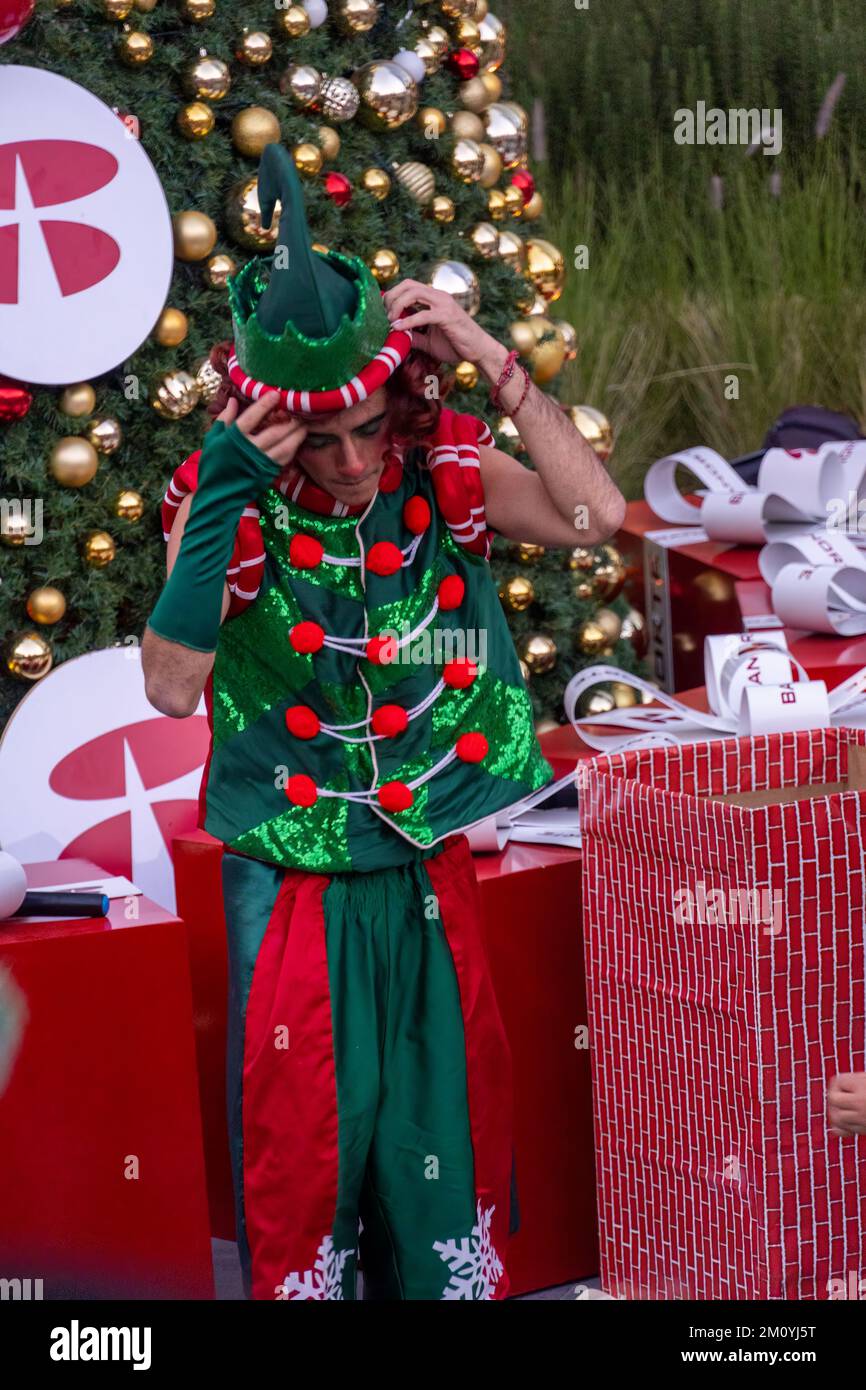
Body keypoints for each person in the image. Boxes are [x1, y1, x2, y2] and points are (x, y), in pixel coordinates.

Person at [142, 143, 625, 1301]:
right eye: (322, 439)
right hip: (292, 874)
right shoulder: (227, 506)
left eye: (368, 427)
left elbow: (595, 513)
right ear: (268, 426)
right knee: (307, 1139)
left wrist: (490, 354)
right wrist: (215, 494)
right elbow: (169, 685)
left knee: (438, 1126)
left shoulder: (443, 467)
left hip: (424, 858)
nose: (355, 461)